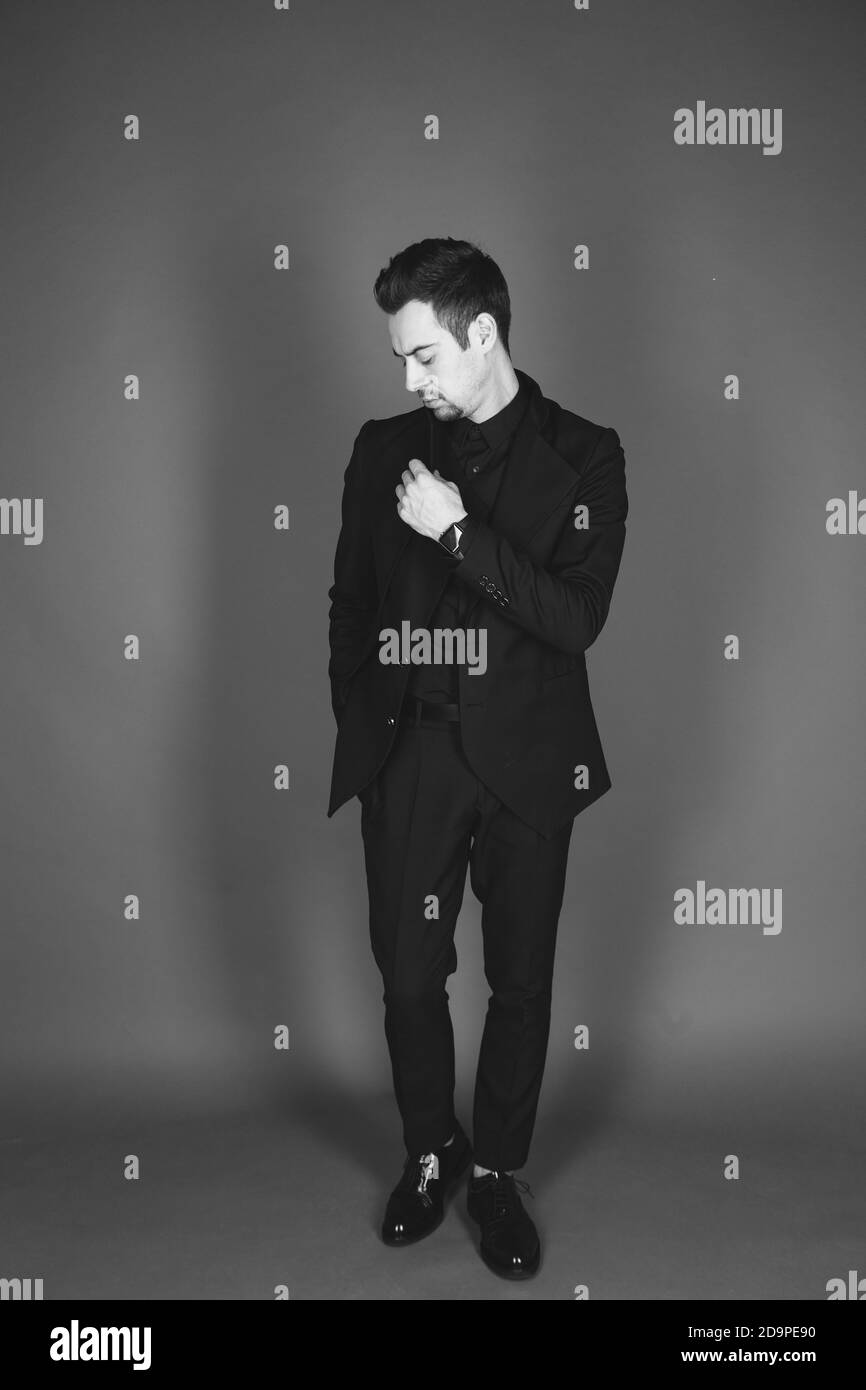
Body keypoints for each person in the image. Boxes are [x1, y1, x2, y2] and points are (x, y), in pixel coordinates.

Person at [326, 237, 628, 1279]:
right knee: (407, 976)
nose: (408, 379)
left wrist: (457, 534)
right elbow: (351, 605)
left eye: (421, 356)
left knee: (520, 981)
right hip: (413, 754)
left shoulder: (585, 456)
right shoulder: (380, 449)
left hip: (530, 763)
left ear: (482, 334)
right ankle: (428, 1148)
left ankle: (495, 1171)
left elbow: (575, 617)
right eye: (401, 360)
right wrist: (361, 721)